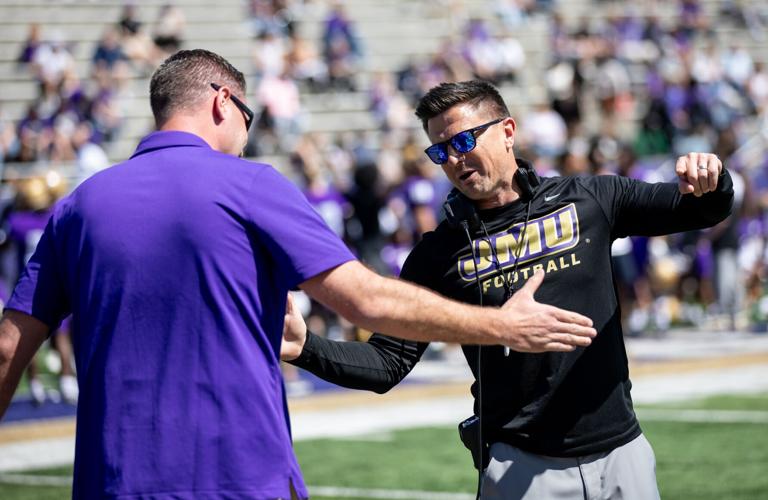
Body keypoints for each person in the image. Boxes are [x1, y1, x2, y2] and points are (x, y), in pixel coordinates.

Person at [0, 52, 596, 499]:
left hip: (110, 480)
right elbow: (364, 300)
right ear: (220, 101)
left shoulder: (79, 205)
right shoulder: (250, 184)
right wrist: (500, 325)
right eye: (247, 114)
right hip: (240, 476)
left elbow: (8, 350)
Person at [281, 80, 734, 499]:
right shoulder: (439, 252)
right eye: (440, 152)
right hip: (520, 463)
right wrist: (305, 348)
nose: (454, 160)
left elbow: (697, 210)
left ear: (508, 131)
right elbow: (387, 363)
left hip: (622, 453)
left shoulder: (590, 197)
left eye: (462, 141)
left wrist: (712, 179)